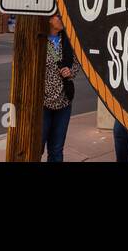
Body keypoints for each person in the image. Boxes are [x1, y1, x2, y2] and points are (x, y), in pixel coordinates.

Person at [42, 13, 78, 162]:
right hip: (42, 104)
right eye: (59, 17)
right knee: (37, 146)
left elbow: (76, 62)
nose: (63, 21)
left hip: (63, 102)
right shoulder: (41, 41)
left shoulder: (68, 40)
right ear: (50, 20)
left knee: (56, 149)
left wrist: (71, 72)